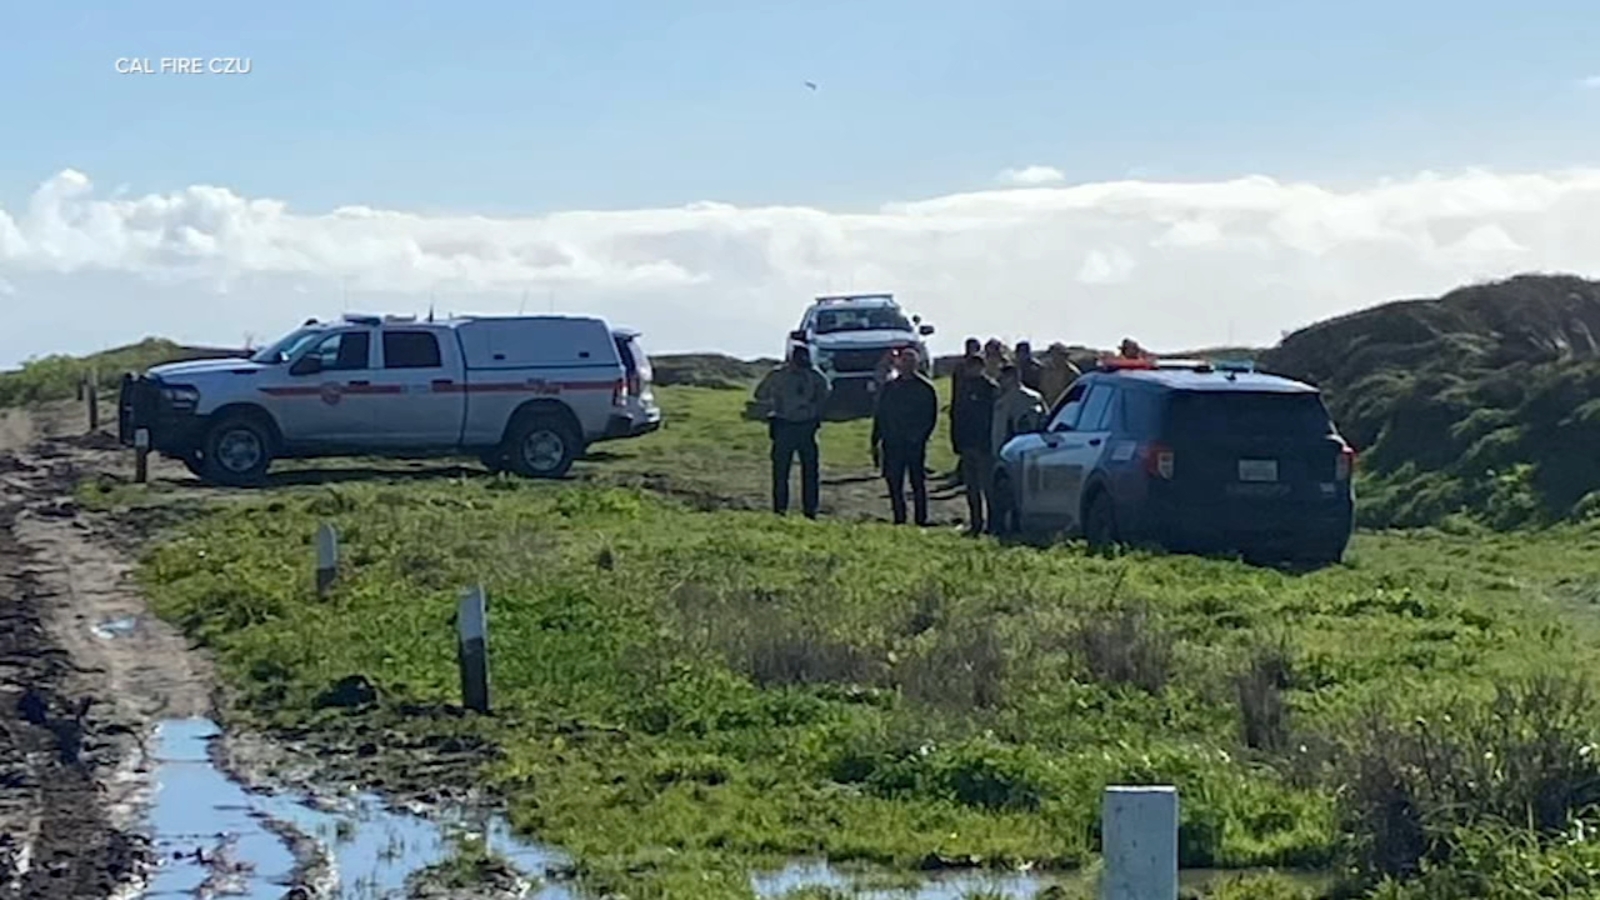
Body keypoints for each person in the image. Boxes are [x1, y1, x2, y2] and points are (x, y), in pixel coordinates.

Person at [752, 345, 832, 518]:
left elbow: (826, 397)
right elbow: (760, 394)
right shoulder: (779, 375)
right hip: (783, 426)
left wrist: (813, 410)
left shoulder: (815, 376)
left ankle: (810, 511)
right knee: (781, 472)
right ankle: (780, 509)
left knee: (810, 472)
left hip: (806, 427)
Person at [870, 348, 938, 526]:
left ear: (916, 364)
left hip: (914, 443)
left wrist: (920, 437)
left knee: (917, 481)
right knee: (894, 482)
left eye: (910, 361)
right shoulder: (890, 388)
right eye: (904, 361)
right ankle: (899, 517)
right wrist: (875, 439)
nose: (906, 365)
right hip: (892, 442)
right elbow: (880, 414)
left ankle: (921, 518)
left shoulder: (925, 388)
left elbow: (930, 417)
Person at [950, 354, 999, 536]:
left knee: (988, 488)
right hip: (967, 443)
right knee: (971, 488)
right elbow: (956, 415)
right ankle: (976, 522)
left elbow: (993, 417)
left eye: (975, 366)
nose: (972, 370)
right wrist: (956, 441)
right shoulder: (962, 387)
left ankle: (994, 523)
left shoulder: (990, 388)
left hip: (984, 444)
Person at [1038, 342, 1081, 407]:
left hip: (1064, 406)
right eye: (1052, 354)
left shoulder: (1072, 372)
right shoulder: (1046, 369)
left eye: (1057, 354)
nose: (1054, 357)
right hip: (1048, 404)